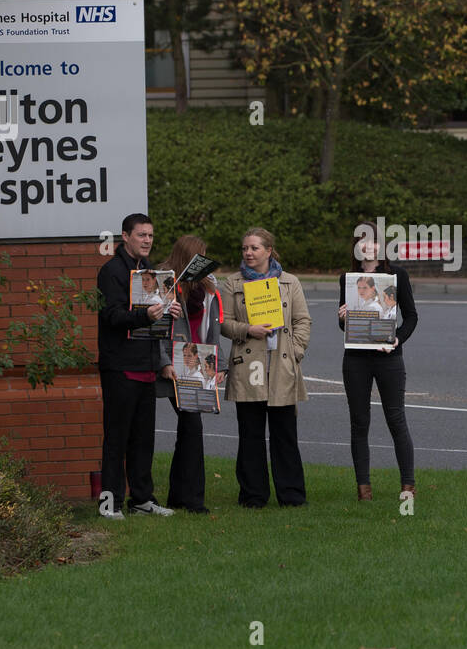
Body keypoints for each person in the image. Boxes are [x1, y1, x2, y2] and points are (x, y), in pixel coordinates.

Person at [96, 213, 182, 519]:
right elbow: (112, 316)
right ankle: (110, 503)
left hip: (146, 366)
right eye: (141, 235)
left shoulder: (150, 271)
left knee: (144, 439)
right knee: (117, 438)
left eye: (150, 236)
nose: (147, 240)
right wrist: (145, 316)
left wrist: (169, 310)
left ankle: (142, 500)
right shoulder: (112, 271)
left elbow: (156, 319)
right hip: (120, 367)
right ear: (125, 236)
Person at [219, 228, 311, 508]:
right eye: (245, 248)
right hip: (249, 365)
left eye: (254, 248)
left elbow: (302, 321)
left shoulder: (289, 282)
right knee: (251, 435)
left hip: (281, 364)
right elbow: (223, 323)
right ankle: (253, 496)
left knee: (285, 435)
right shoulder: (231, 283)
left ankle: (292, 496)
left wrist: (295, 351)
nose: (248, 253)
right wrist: (248, 329)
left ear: (269, 251)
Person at [337, 222, 418, 502]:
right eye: (361, 241)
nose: (367, 246)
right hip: (356, 359)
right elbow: (343, 324)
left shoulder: (397, 275)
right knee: (359, 422)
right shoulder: (347, 278)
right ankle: (364, 489)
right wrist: (343, 317)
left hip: (388, 357)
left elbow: (411, 317)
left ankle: (408, 485)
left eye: (372, 241)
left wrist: (397, 339)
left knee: (396, 419)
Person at [156, 234, 223, 514]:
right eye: (200, 256)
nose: (204, 261)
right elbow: (155, 327)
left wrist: (219, 366)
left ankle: (178, 496)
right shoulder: (165, 284)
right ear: (187, 258)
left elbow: (214, 330)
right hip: (175, 363)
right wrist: (163, 361)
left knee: (188, 429)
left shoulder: (208, 288)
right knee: (192, 428)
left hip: (199, 363)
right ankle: (193, 500)